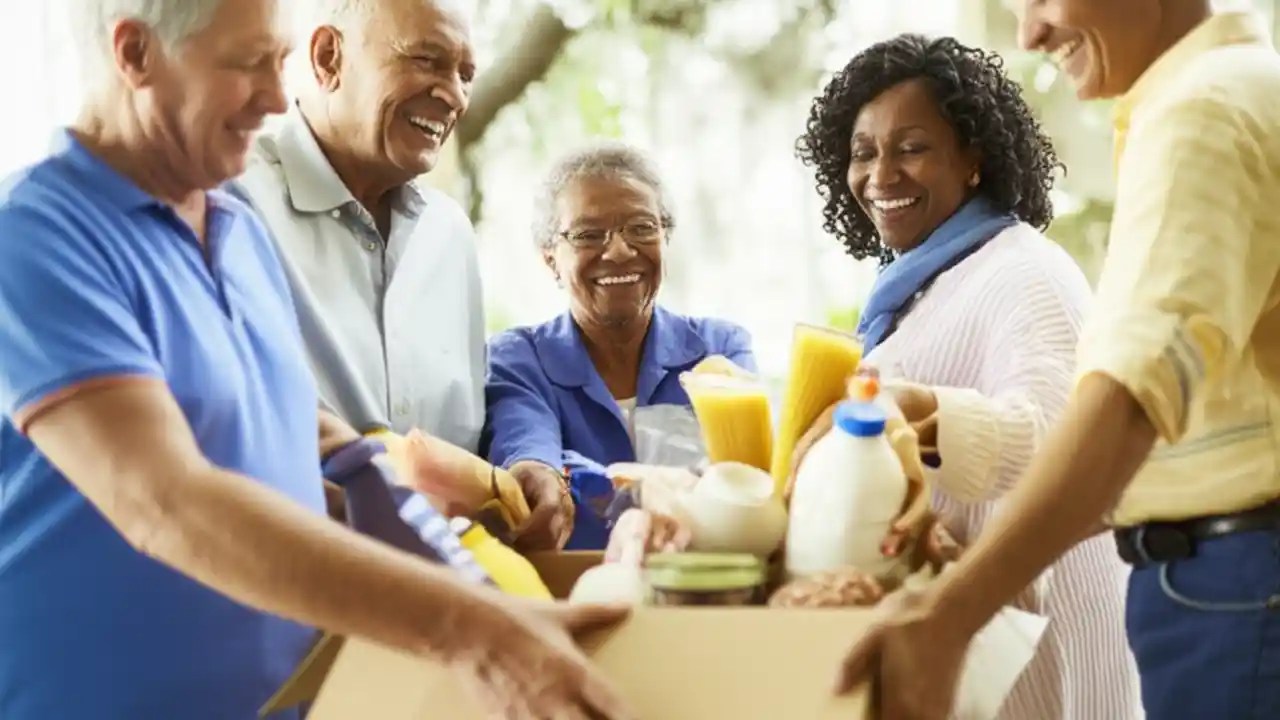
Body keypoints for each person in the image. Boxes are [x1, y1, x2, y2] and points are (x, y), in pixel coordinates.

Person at [0, 1, 634, 718]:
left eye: (279, 60)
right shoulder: (35, 235)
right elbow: (164, 502)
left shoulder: (233, 228)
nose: (277, 97)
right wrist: (472, 632)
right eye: (248, 65)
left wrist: (489, 601)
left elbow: (336, 449)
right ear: (136, 54)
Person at [835, 4, 1280, 719]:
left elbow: (1127, 408)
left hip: (1234, 581)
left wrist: (951, 613)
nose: (1030, 33)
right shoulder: (1235, 89)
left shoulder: (1203, 113)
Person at [791, 33, 1139, 719]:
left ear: (973, 159)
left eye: (911, 147)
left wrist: (912, 411)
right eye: (863, 152)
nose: (880, 174)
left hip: (1040, 655)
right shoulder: (924, 284)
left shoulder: (1023, 274)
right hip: (975, 643)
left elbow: (1056, 441)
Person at [228, 0, 569, 548]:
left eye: (464, 75)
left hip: (448, 586)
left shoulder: (448, 234)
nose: (454, 94)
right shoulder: (230, 204)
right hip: (294, 578)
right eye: (427, 60)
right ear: (328, 57)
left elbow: (473, 414)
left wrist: (526, 462)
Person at [482, 142, 757, 549]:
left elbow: (740, 476)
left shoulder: (719, 349)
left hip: (705, 590)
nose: (619, 251)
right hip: (576, 593)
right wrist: (642, 491)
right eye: (589, 235)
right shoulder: (519, 360)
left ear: (666, 237)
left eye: (641, 228)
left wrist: (595, 485)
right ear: (550, 259)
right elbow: (531, 462)